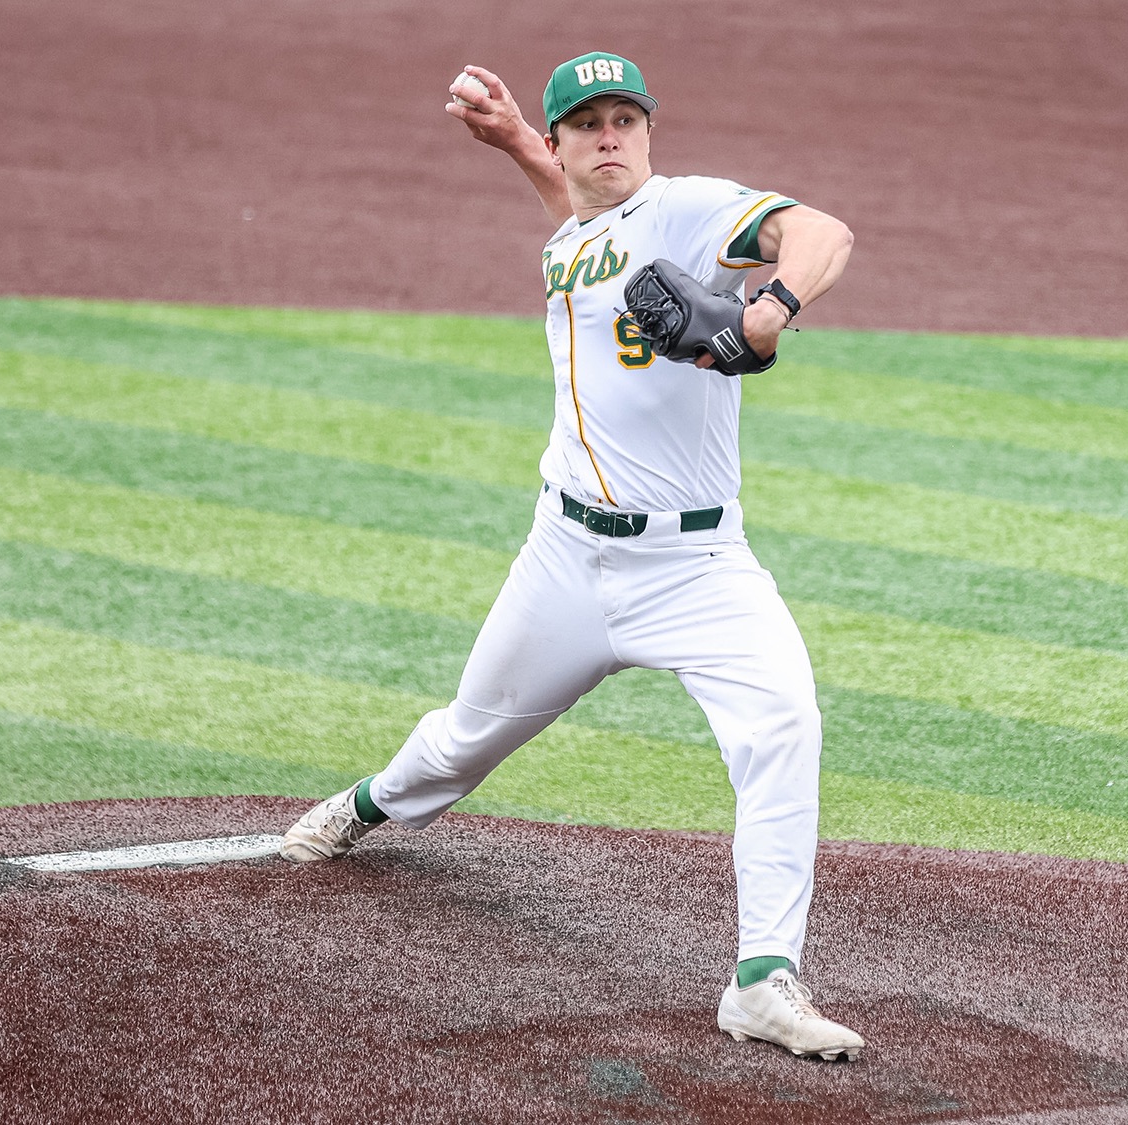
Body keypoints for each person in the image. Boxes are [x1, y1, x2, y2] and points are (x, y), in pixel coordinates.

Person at [280, 51, 862, 1062]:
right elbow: (588, 222)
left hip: (697, 569)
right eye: (585, 124)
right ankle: (370, 802)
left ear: (647, 132)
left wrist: (769, 309)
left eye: (622, 120)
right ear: (561, 144)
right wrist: (511, 138)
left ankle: (763, 979)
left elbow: (821, 232)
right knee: (465, 741)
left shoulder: (688, 210)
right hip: (564, 559)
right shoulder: (576, 237)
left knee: (784, 723)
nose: (607, 138)